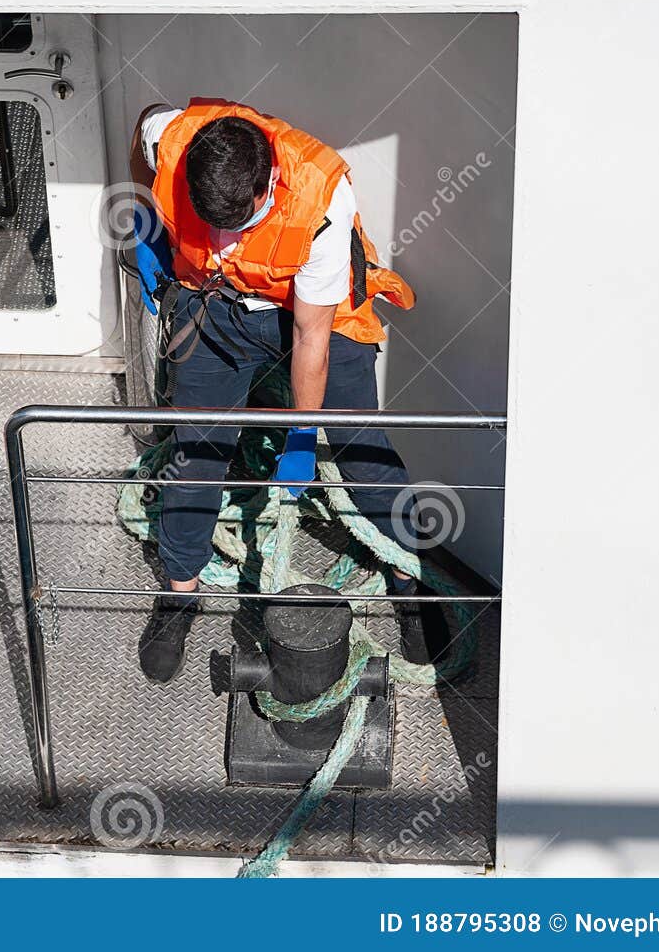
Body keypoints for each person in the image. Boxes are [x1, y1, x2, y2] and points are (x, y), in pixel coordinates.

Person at [127, 98, 432, 683]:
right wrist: (148, 233)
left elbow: (310, 339)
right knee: (197, 451)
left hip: (316, 316)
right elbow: (143, 123)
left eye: (237, 226)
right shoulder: (174, 138)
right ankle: (179, 596)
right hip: (218, 309)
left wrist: (302, 433)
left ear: (269, 178)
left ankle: (408, 581)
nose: (224, 238)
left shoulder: (321, 198)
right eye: (211, 221)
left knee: (361, 451)